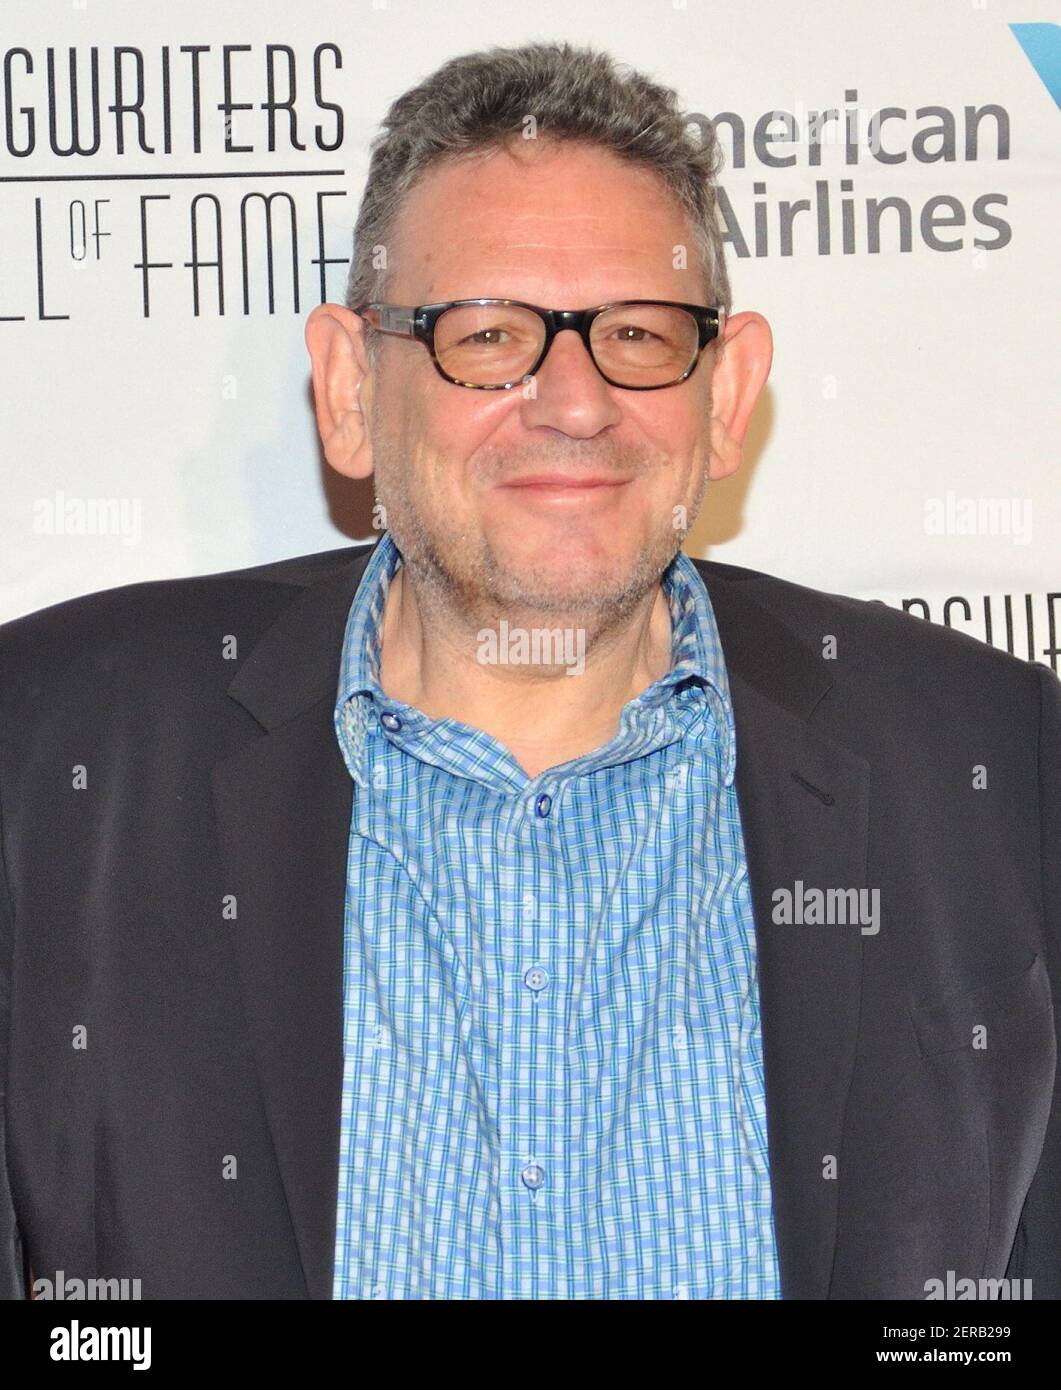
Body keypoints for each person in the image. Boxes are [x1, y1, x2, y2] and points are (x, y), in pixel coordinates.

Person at [0, 41, 1057, 1301]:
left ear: (726, 394)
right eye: (488, 335)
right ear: (347, 388)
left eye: (638, 333)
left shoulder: (996, 766)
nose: (572, 401)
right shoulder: (50, 756)